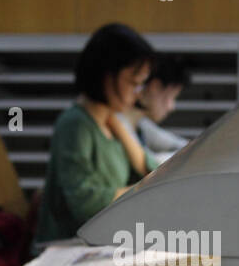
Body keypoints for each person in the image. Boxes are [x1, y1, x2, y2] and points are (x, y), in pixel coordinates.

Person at [34, 23, 159, 247]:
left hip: (102, 240)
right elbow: (84, 203)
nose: (138, 92)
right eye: (133, 83)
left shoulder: (110, 120)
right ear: (105, 76)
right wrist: (142, 192)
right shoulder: (75, 125)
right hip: (68, 247)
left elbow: (148, 170)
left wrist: (119, 126)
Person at [115, 54, 192, 162]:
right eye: (172, 97)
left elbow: (181, 145)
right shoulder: (120, 123)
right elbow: (149, 163)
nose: (172, 107)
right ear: (154, 87)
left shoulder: (140, 125)